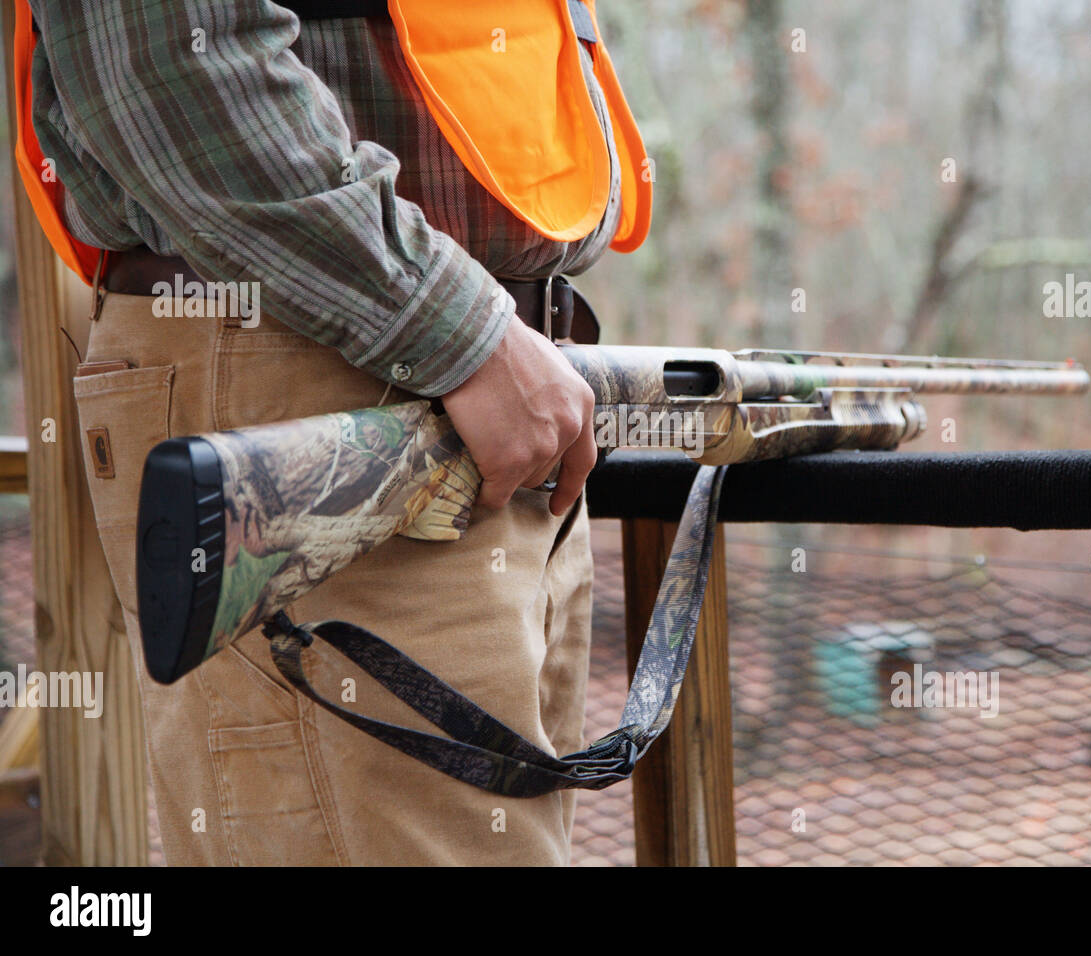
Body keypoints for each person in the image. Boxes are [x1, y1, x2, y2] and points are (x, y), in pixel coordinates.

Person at [15, 0, 651, 865]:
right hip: (324, 366)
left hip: (477, 395)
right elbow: (177, 68)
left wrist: (487, 350)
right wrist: (463, 339)